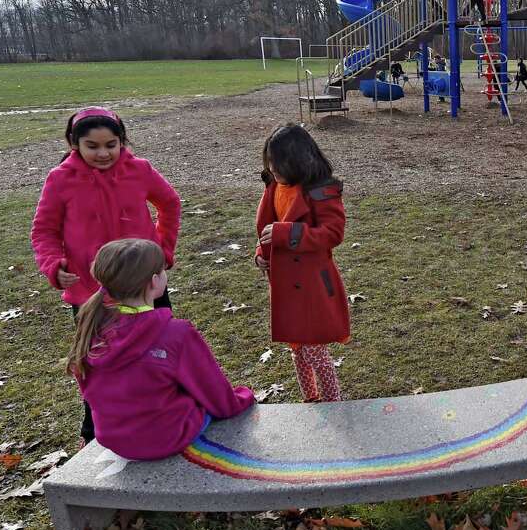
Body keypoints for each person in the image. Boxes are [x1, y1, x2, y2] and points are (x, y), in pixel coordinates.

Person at [31, 106, 182, 444]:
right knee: (98, 362)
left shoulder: (139, 170)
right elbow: (44, 230)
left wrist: (162, 251)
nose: (103, 153)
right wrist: (53, 265)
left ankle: (170, 413)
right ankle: (95, 432)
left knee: (160, 350)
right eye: (93, 146)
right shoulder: (60, 179)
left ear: (122, 141)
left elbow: (170, 204)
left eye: (111, 145)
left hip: (145, 286)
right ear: (75, 144)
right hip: (90, 292)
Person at [69, 239, 254, 460]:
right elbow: (214, 392)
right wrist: (242, 398)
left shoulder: (92, 329)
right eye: (162, 270)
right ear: (154, 281)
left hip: (114, 440)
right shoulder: (176, 333)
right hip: (168, 437)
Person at [255, 124, 349, 402]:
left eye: (278, 165)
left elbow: (333, 233)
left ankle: (333, 403)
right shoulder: (275, 186)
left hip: (310, 286)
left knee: (314, 351)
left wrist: (289, 234)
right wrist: (262, 252)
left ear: (297, 161)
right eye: (270, 164)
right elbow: (268, 226)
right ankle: (311, 399)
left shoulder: (320, 191)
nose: (273, 170)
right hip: (285, 284)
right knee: (297, 349)